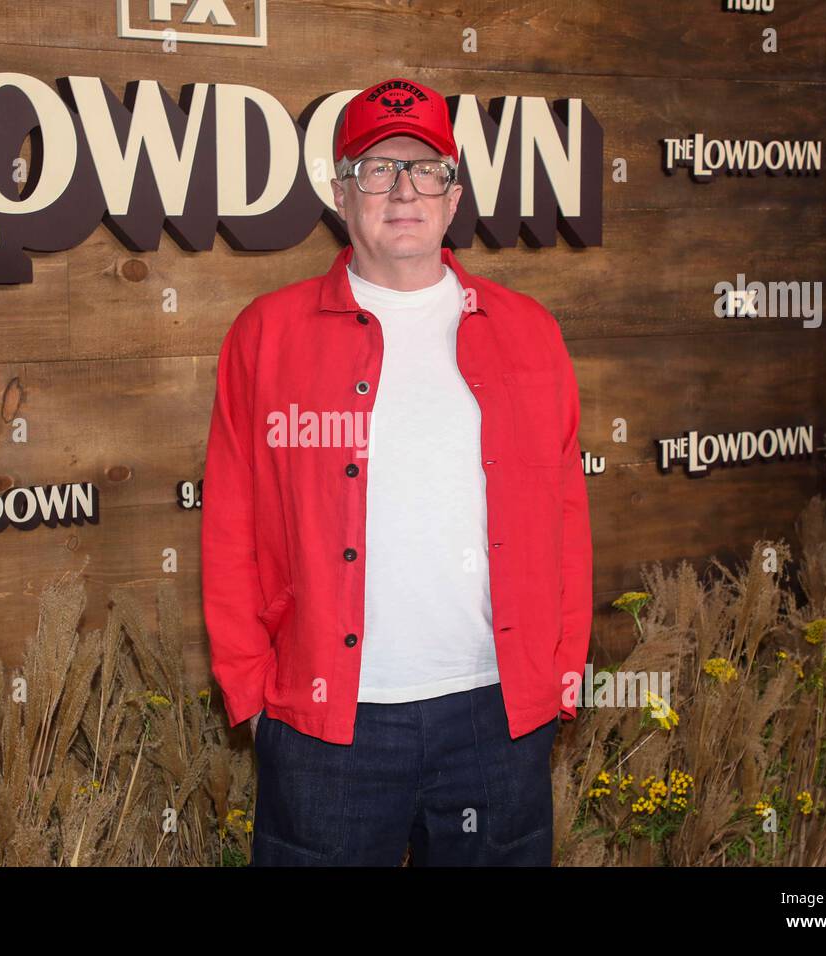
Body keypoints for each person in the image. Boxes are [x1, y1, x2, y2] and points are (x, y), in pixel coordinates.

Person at [200, 77, 592, 865]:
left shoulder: (530, 331)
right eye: (377, 168)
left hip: (496, 713)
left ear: (453, 196)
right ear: (343, 195)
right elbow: (230, 521)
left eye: (424, 167)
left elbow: (565, 516)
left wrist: (560, 668)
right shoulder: (265, 335)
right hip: (327, 724)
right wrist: (250, 690)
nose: (402, 189)